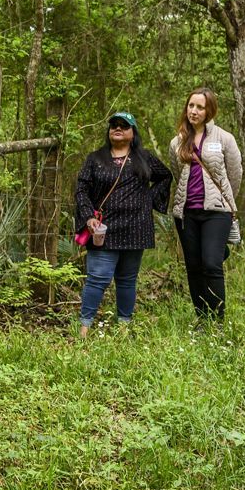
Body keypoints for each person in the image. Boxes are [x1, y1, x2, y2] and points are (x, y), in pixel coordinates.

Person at [73, 112, 172, 338]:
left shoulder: (144, 158)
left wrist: (147, 200)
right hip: (103, 229)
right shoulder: (95, 159)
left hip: (136, 228)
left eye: (124, 126)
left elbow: (165, 176)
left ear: (133, 132)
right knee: (98, 277)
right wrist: (88, 216)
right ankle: (84, 328)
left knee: (127, 279)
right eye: (114, 125)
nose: (118, 129)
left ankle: (124, 328)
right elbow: (82, 190)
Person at [170, 88, 242, 321]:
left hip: (216, 212)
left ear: (209, 110)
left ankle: (217, 320)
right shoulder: (177, 142)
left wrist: (223, 200)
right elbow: (176, 171)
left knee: (211, 264)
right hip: (186, 213)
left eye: (200, 107)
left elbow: (235, 174)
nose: (194, 111)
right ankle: (202, 318)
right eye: (191, 106)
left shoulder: (224, 138)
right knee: (194, 267)